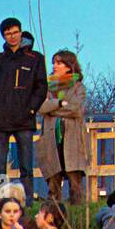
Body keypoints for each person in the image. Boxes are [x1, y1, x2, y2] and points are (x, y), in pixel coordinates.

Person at [0, 17, 47, 202]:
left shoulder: (35, 59)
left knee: (26, 165)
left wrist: (31, 109)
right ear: (3, 36)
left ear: (21, 32)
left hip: (24, 120)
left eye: (15, 32)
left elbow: (41, 87)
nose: (12, 36)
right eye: (8, 33)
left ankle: (27, 200)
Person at [36, 49, 89, 204]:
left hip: (72, 139)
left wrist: (54, 111)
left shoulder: (78, 87)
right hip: (51, 138)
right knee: (53, 180)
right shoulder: (46, 87)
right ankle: (52, 213)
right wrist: (59, 103)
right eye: (54, 62)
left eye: (59, 63)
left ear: (68, 66)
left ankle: (76, 215)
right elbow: (42, 107)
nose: (54, 66)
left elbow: (76, 109)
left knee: (75, 182)